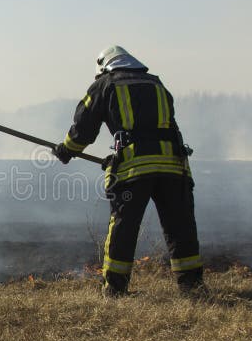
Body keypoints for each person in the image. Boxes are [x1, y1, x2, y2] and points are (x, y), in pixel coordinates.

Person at [53, 44, 205, 296]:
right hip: (174, 167)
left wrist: (66, 150)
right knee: (181, 226)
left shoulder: (105, 84)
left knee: (124, 227)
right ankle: (192, 286)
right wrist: (116, 158)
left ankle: (114, 290)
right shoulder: (157, 84)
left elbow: (84, 127)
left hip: (135, 170)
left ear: (105, 66)